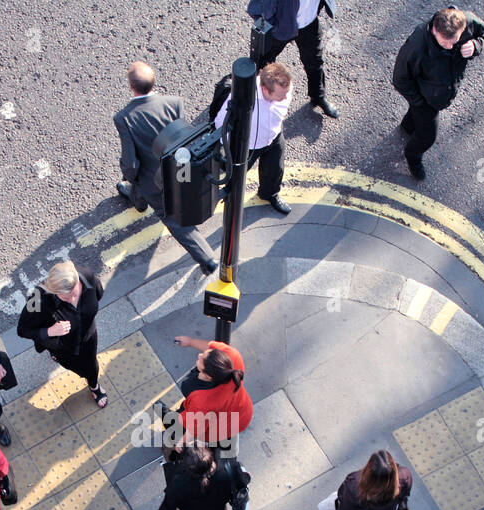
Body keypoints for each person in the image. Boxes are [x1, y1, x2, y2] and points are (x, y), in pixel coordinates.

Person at [113, 61, 219, 275]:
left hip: (155, 181)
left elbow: (131, 164)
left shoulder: (124, 118)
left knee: (173, 217)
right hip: (180, 169)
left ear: (131, 87)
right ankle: (137, 199)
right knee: (148, 193)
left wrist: (130, 176)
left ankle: (207, 259)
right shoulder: (174, 103)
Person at [391, 7, 484, 181]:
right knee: (427, 136)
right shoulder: (417, 46)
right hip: (425, 99)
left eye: (455, 42)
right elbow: (400, 79)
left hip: (440, 91)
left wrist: (476, 45)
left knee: (414, 119)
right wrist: (419, 102)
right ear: (435, 30)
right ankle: (412, 156)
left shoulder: (467, 22)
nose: (451, 47)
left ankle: (407, 126)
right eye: (445, 43)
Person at [17, 261, 108, 408]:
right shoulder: (37, 298)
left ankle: (93, 386)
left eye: (75, 293)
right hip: (61, 346)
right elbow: (23, 330)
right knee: (71, 364)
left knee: (91, 366)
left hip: (88, 336)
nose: (72, 299)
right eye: (65, 298)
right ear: (53, 291)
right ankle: (55, 356)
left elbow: (98, 294)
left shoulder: (87, 276)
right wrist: (50, 331)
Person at [213, 62, 294, 215]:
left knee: (275, 169)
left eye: (286, 93)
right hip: (248, 145)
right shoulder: (240, 97)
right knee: (236, 177)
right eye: (280, 96)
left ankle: (269, 194)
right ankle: (230, 199)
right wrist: (228, 150)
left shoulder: (285, 88)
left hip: (274, 136)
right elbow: (221, 124)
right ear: (265, 89)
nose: (285, 98)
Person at [247, 0, 340, 117]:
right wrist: (274, 27)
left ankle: (318, 97)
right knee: (264, 63)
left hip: (309, 24)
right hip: (281, 27)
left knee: (314, 62)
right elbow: (256, 8)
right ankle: (258, 100)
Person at [171, 336, 253, 449]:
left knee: (178, 425)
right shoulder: (232, 357)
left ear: (208, 376)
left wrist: (180, 445)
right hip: (242, 412)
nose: (199, 355)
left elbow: (194, 429)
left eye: (202, 359)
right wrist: (190, 341)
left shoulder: (202, 402)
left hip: (222, 427)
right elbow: (210, 347)